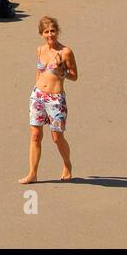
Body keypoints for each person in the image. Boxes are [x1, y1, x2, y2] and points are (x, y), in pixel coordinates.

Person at [19, 16, 77, 184]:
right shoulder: (40, 50)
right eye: (46, 32)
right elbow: (39, 73)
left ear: (57, 32)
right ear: (41, 34)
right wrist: (36, 90)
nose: (50, 34)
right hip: (38, 96)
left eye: (52, 31)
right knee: (35, 135)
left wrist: (61, 70)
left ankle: (67, 165)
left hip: (55, 99)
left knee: (57, 137)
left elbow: (74, 76)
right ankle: (32, 173)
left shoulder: (66, 52)